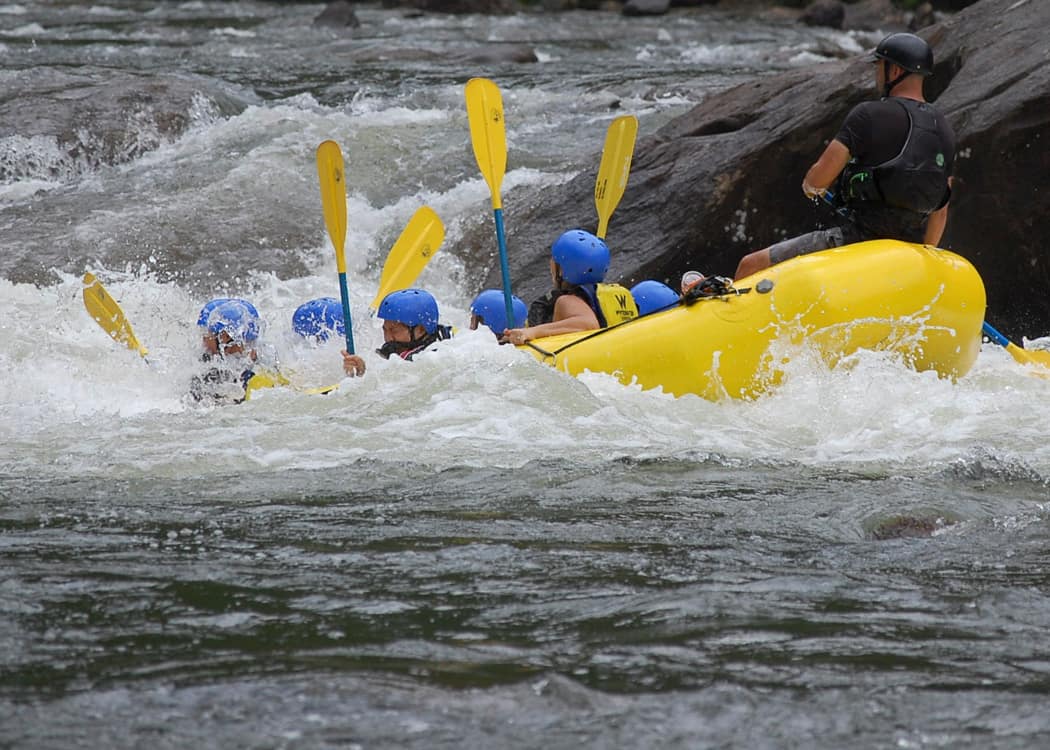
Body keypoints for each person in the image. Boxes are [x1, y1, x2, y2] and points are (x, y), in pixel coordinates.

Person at [734, 32, 956, 280]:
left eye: (879, 67)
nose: (876, 75)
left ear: (894, 71)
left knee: (750, 265)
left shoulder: (868, 115)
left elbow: (818, 180)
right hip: (908, 249)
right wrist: (923, 256)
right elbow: (941, 209)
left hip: (856, 240)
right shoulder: (944, 127)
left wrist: (810, 185)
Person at [503, 229, 638, 346]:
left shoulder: (567, 301)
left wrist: (531, 332)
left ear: (561, 270)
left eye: (554, 260)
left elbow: (588, 324)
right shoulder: (616, 295)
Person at [341, 288, 452, 376]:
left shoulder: (435, 356)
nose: (388, 338)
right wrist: (360, 371)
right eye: (385, 330)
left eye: (394, 330)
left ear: (421, 329)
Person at [190, 299, 282, 404]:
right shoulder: (270, 368)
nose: (203, 342)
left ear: (224, 337)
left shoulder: (252, 384)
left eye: (205, 334)